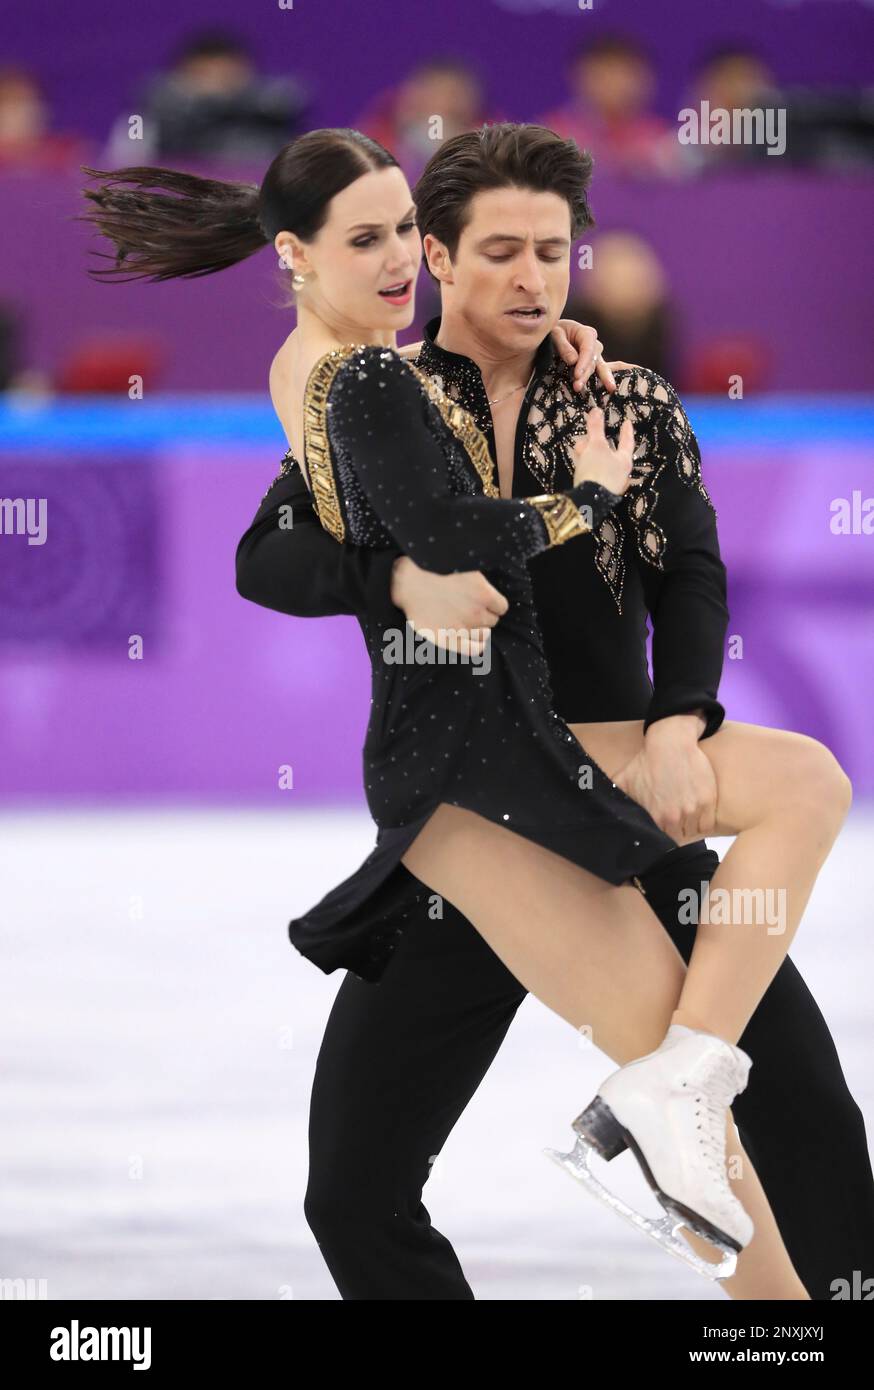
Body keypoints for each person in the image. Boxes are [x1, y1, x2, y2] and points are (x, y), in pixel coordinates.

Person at [79, 125, 858, 1298]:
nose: (533, 278)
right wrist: (393, 578)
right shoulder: (388, 393)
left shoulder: (622, 398)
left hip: (632, 799)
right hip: (477, 816)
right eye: (499, 251)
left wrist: (680, 718)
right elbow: (269, 557)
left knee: (803, 1117)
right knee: (354, 1187)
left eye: (554, 252)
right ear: (437, 257)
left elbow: (692, 574)